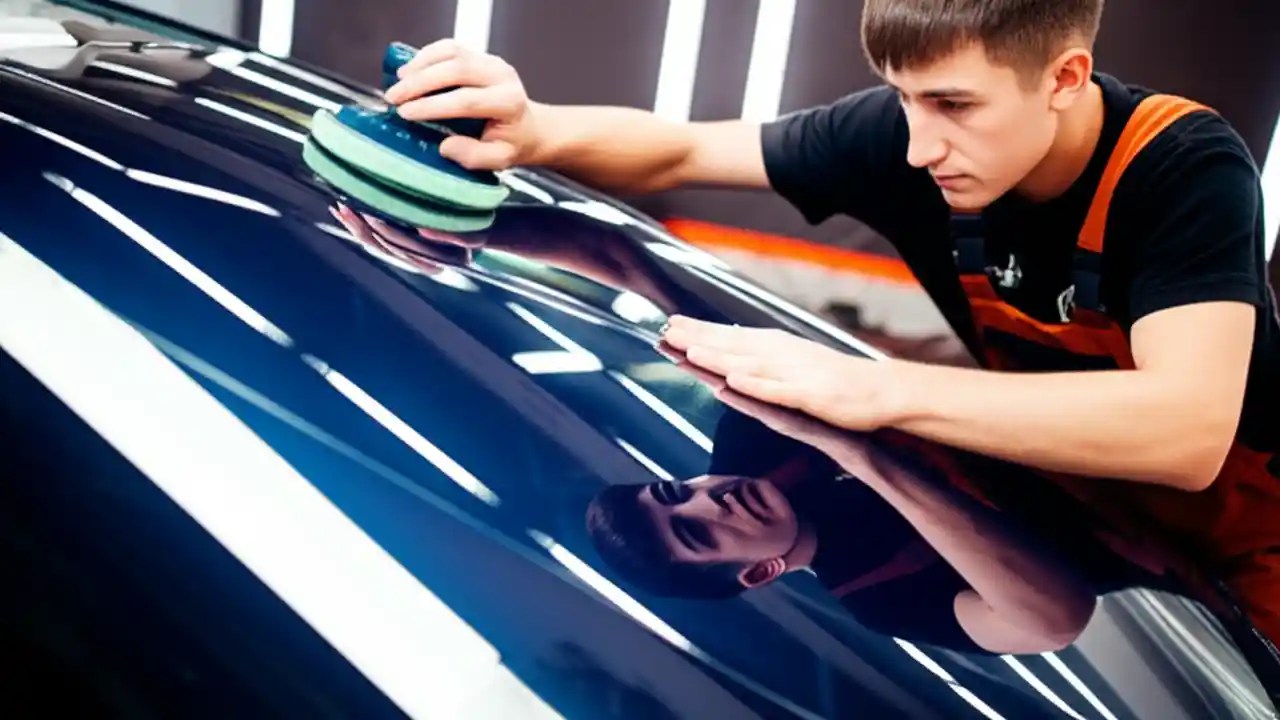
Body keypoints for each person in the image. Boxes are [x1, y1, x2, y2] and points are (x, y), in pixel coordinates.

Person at [383, 0, 1280, 642]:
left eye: (955, 107)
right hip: (1184, 598)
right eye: (903, 99)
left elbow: (1184, 430)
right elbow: (686, 150)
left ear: (1065, 78)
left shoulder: (1177, 165)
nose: (920, 148)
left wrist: (866, 394)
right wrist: (522, 142)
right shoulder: (908, 135)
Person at [585, 379, 1175, 656]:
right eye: (696, 531)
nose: (707, 498)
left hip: (1124, 407)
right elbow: (1054, 622)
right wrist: (864, 458)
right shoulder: (877, 595)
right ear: (761, 572)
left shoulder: (751, 428)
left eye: (673, 490)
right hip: (1190, 534)